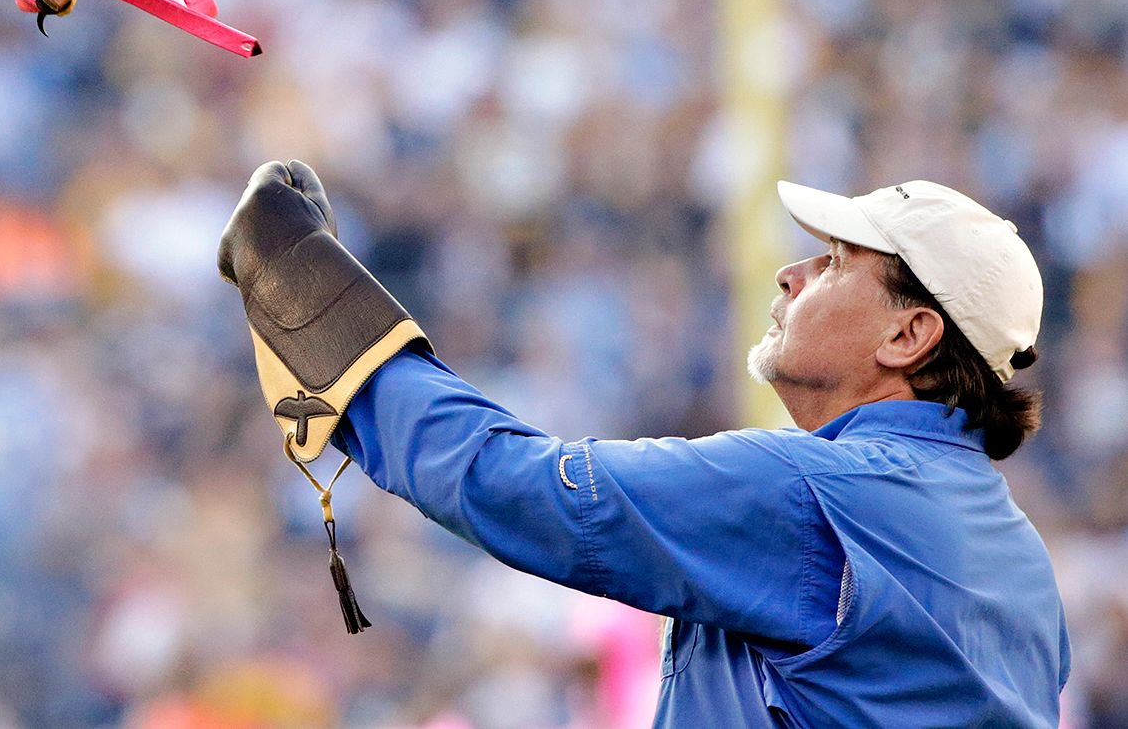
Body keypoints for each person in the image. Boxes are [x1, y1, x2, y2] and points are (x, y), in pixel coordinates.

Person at [218, 162, 1069, 728]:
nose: (792, 274)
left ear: (909, 335)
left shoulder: (818, 491)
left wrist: (305, 288)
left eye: (836, 262)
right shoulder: (1023, 561)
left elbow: (515, 487)